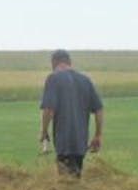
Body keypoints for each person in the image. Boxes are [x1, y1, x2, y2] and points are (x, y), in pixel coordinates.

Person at [39, 49, 104, 177]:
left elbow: (48, 109)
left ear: (54, 63)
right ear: (69, 62)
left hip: (64, 142)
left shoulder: (53, 78)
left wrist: (44, 131)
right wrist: (98, 135)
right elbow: (99, 109)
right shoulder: (85, 80)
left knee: (66, 183)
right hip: (81, 143)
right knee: (75, 177)